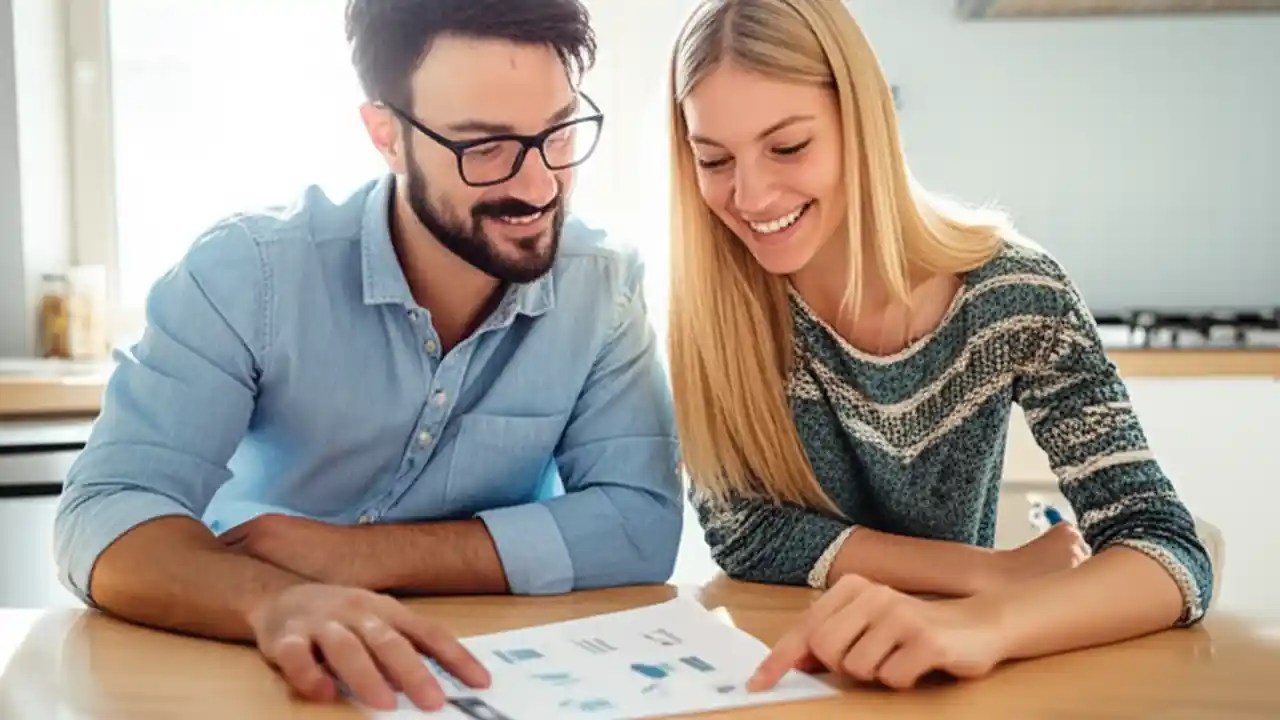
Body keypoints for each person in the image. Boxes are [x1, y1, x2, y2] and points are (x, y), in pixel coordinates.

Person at [54, 0, 682, 711]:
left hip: (493, 680)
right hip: (252, 671)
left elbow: (641, 523)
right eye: (484, 147)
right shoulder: (247, 275)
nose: (539, 186)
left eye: (560, 132)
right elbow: (105, 509)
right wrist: (278, 602)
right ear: (386, 135)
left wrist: (358, 556)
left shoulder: (601, 287)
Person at [664, 0, 1213, 691]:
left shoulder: (1014, 294)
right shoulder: (717, 312)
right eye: (713, 159)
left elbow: (1165, 545)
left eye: (788, 147)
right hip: (786, 677)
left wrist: (987, 622)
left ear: (861, 121)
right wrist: (984, 572)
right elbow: (747, 535)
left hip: (947, 685)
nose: (750, 195)